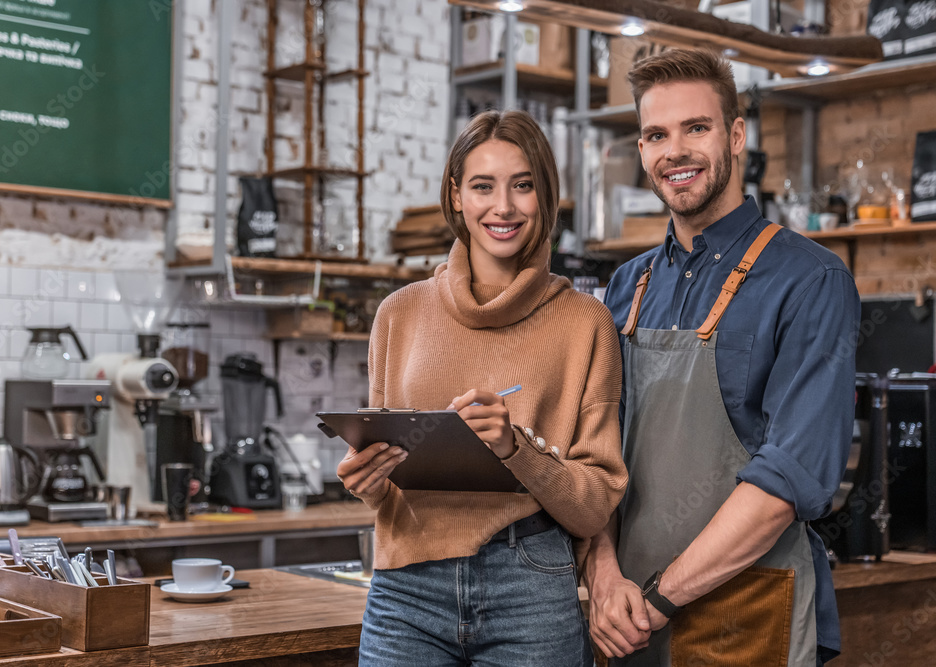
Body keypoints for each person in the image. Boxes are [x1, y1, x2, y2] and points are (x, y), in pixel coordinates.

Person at [585, 48, 859, 666]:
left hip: (744, 613)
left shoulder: (811, 281)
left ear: (735, 136)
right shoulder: (627, 287)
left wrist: (657, 603)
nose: (674, 151)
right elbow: (593, 455)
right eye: (656, 134)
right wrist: (604, 579)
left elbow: (787, 480)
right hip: (622, 619)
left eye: (696, 128)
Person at [337, 109, 627, 666]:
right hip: (406, 589)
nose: (504, 207)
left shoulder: (586, 323)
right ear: (456, 195)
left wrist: (514, 448)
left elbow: (594, 508)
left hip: (531, 587)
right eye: (482, 186)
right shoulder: (398, 315)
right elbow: (384, 477)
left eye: (523, 186)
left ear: (545, 195)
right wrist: (367, 480)